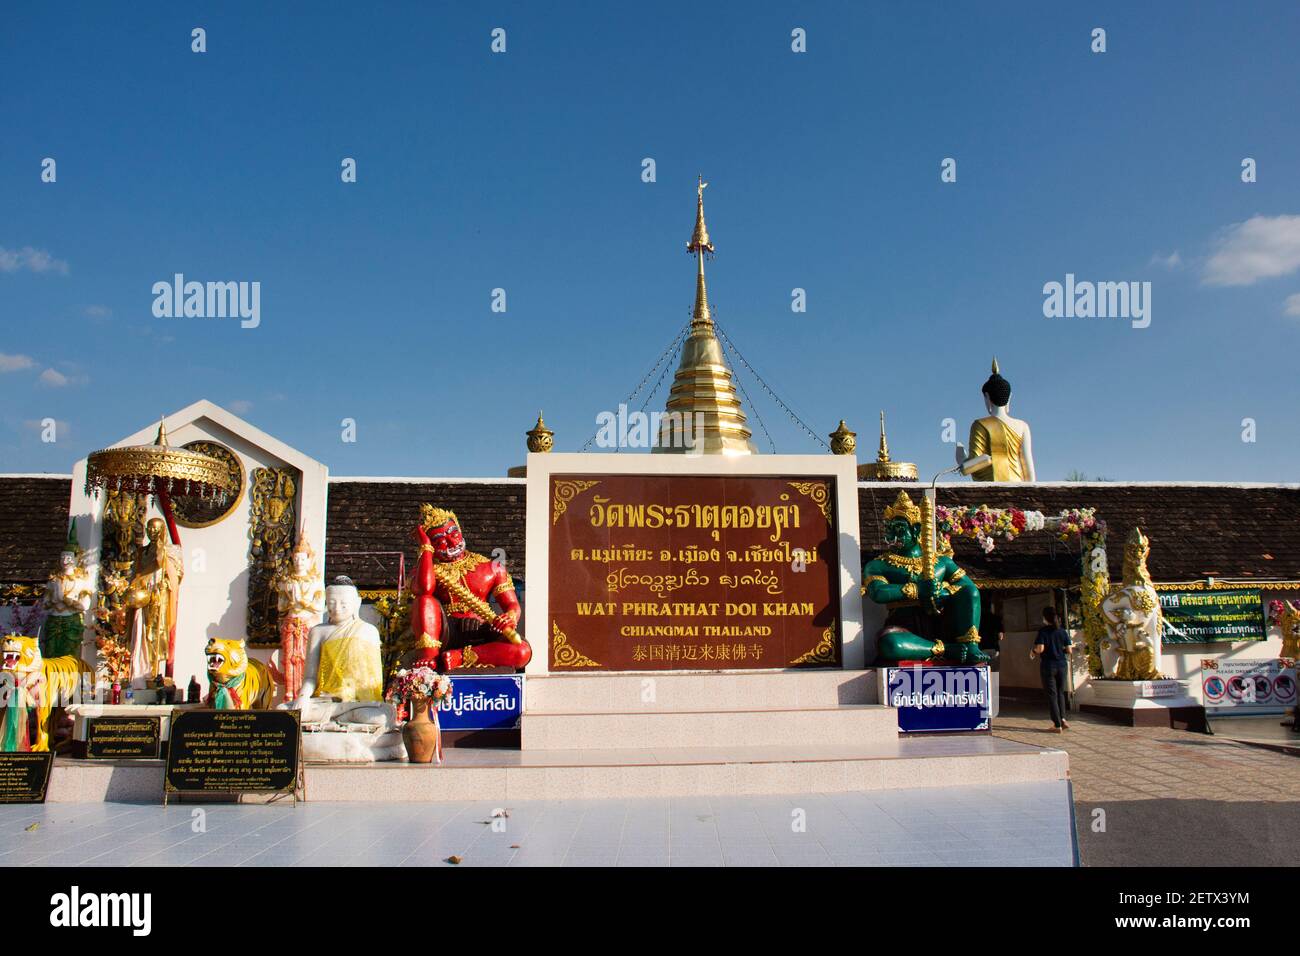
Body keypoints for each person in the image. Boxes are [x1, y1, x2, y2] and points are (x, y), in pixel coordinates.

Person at [1030, 606, 1072, 732]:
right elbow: (1069, 650)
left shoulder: (1043, 631)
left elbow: (1040, 649)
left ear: (1045, 618)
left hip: (1048, 666)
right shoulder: (1062, 631)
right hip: (1062, 665)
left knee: (1052, 695)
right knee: (1060, 693)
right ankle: (1063, 719)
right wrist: (1059, 650)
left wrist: (1033, 651)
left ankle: (1057, 724)